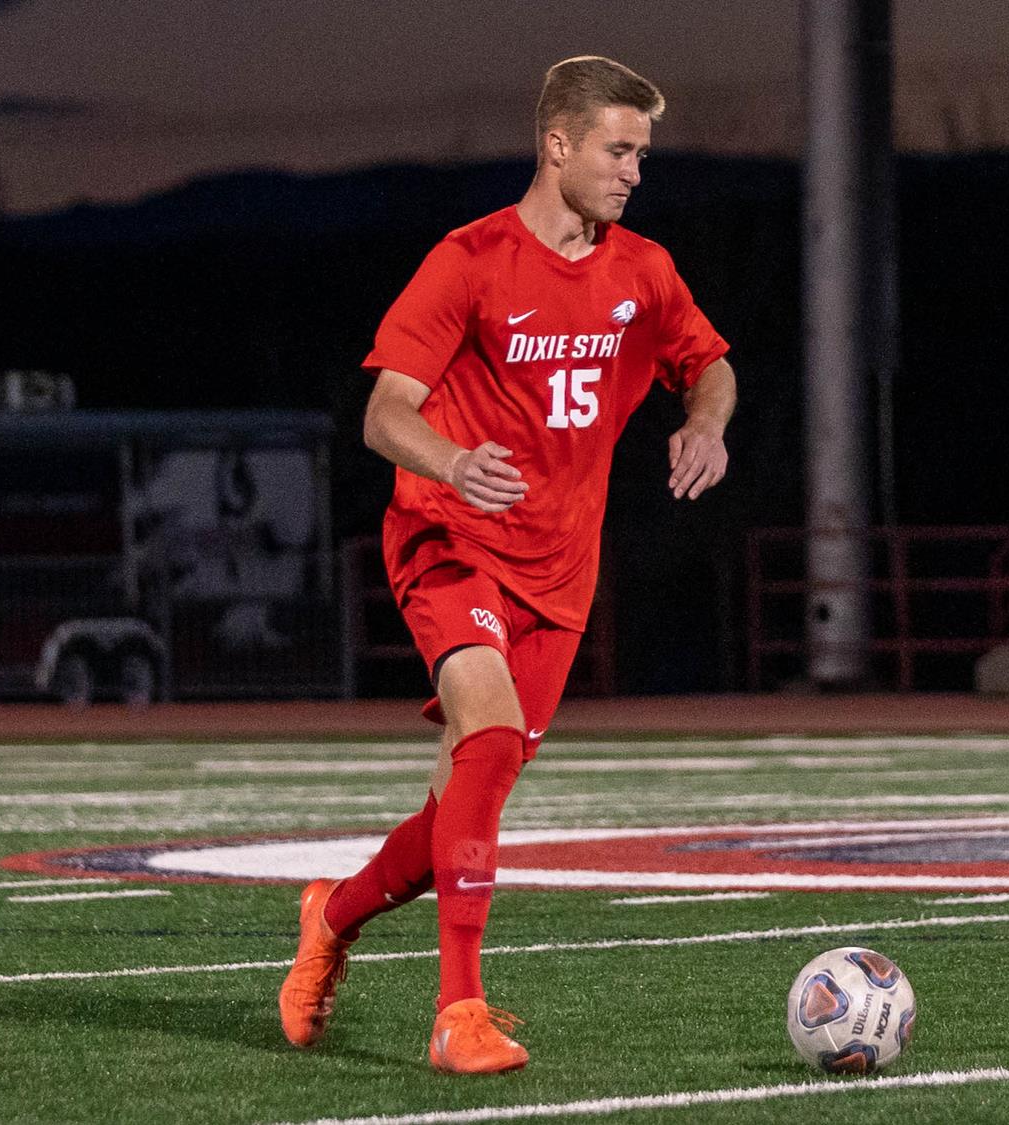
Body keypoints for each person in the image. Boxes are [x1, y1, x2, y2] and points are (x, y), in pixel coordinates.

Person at [279, 54, 738, 1074]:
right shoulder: (470, 260)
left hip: (559, 574)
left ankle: (334, 916)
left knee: (466, 802)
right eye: (617, 151)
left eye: (641, 154)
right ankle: (458, 1012)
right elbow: (382, 412)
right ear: (557, 144)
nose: (632, 172)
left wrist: (705, 425)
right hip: (449, 540)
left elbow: (708, 363)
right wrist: (451, 462)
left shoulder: (641, 271)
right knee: (484, 743)